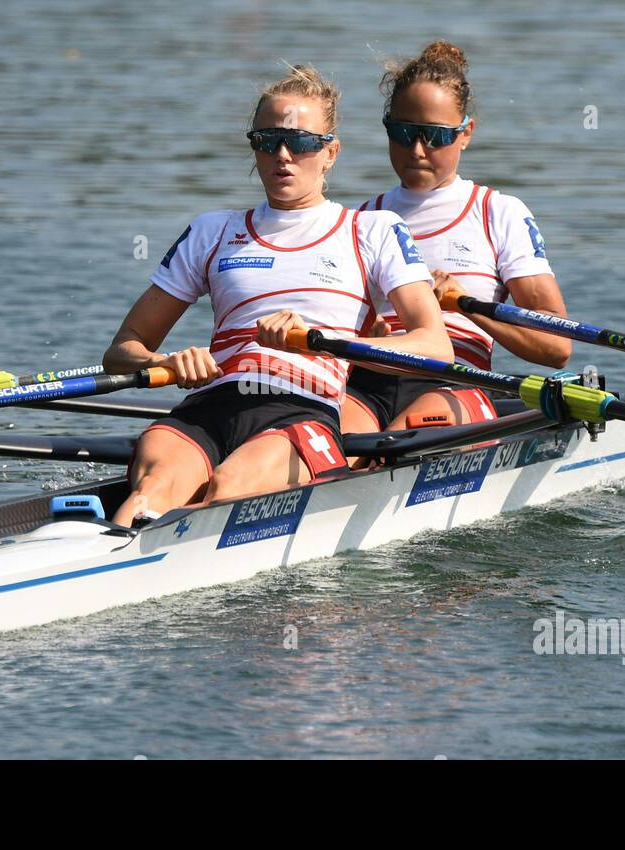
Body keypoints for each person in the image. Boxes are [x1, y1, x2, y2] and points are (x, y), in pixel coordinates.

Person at [103, 64, 453, 527]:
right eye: (267, 141)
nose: (282, 155)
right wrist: (164, 361)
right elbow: (120, 351)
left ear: (330, 153)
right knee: (150, 493)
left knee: (229, 488)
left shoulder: (372, 231)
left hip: (300, 409)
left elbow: (436, 347)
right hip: (211, 403)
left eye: (301, 142)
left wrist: (320, 341)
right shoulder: (212, 230)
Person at [341, 41, 571, 440]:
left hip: (456, 381)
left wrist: (467, 306)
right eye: (403, 132)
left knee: (408, 436)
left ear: (465, 133)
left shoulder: (497, 213)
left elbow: (556, 348)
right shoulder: (361, 220)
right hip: (368, 382)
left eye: (435, 136)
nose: (417, 150)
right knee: (340, 439)